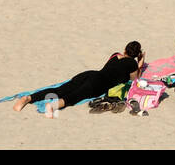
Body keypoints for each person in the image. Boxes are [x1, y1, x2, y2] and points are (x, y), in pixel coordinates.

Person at [13, 42, 144, 113]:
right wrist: (141, 62)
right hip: (99, 84)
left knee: (60, 90)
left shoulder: (116, 55)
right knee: (74, 97)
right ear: (136, 55)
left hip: (90, 74)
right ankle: (53, 106)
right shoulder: (132, 63)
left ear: (125, 50)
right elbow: (135, 78)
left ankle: (28, 98)